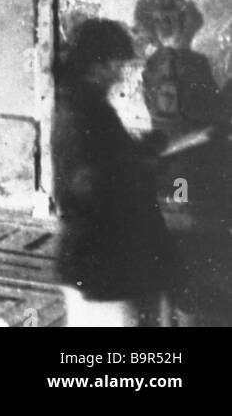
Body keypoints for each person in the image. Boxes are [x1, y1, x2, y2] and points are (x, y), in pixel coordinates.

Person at [53, 18, 174, 326]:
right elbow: (89, 181)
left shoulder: (86, 104)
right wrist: (140, 165)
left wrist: (140, 151)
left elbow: (103, 159)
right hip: (97, 258)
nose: (121, 74)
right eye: (117, 64)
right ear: (97, 66)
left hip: (95, 255)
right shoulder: (81, 110)